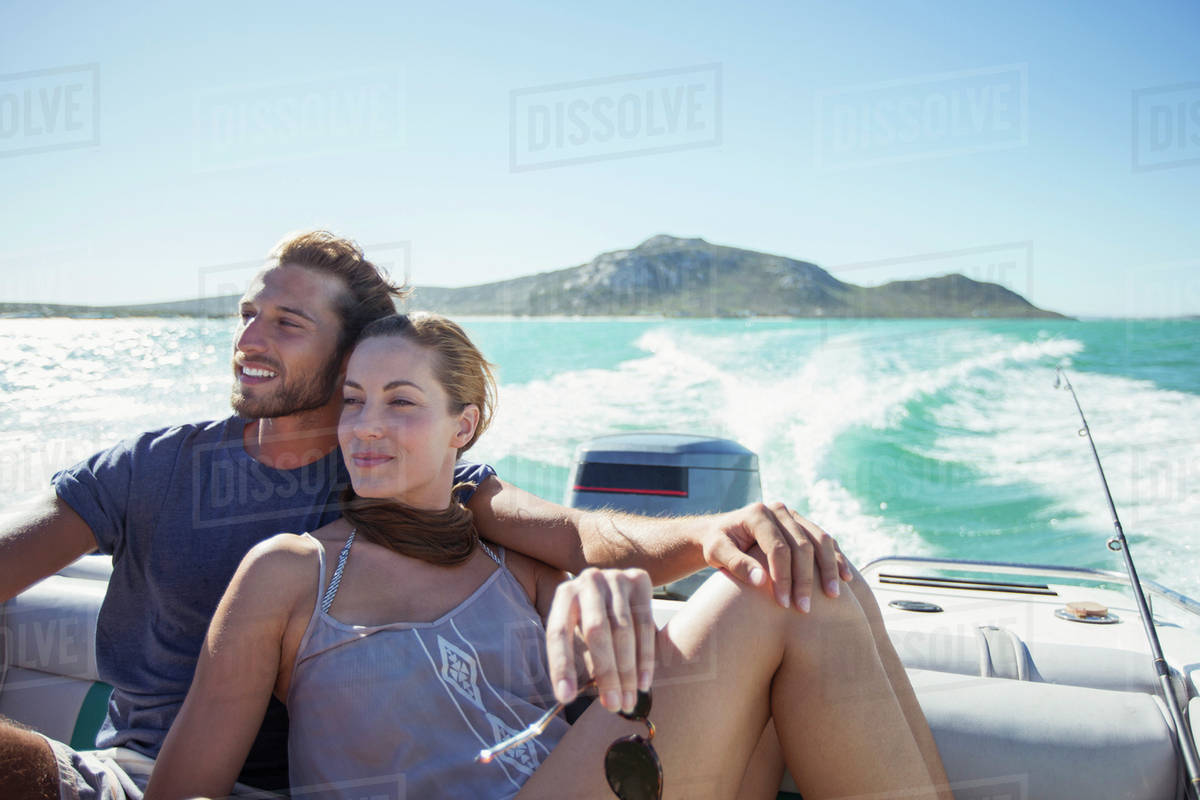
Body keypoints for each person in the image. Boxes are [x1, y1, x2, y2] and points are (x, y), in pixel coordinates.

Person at [0, 231, 880, 800]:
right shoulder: (155, 467)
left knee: (787, 585)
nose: (250, 338)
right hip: (132, 769)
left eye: (286, 322)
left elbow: (575, 538)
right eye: (246, 316)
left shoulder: (439, 490)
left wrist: (699, 539)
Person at [145, 312, 949, 800]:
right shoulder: (291, 572)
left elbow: (592, 556)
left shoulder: (510, 562)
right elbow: (185, 790)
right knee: (772, 588)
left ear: (462, 426)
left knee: (815, 571)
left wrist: (603, 605)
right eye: (354, 401)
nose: (365, 427)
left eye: (401, 403)